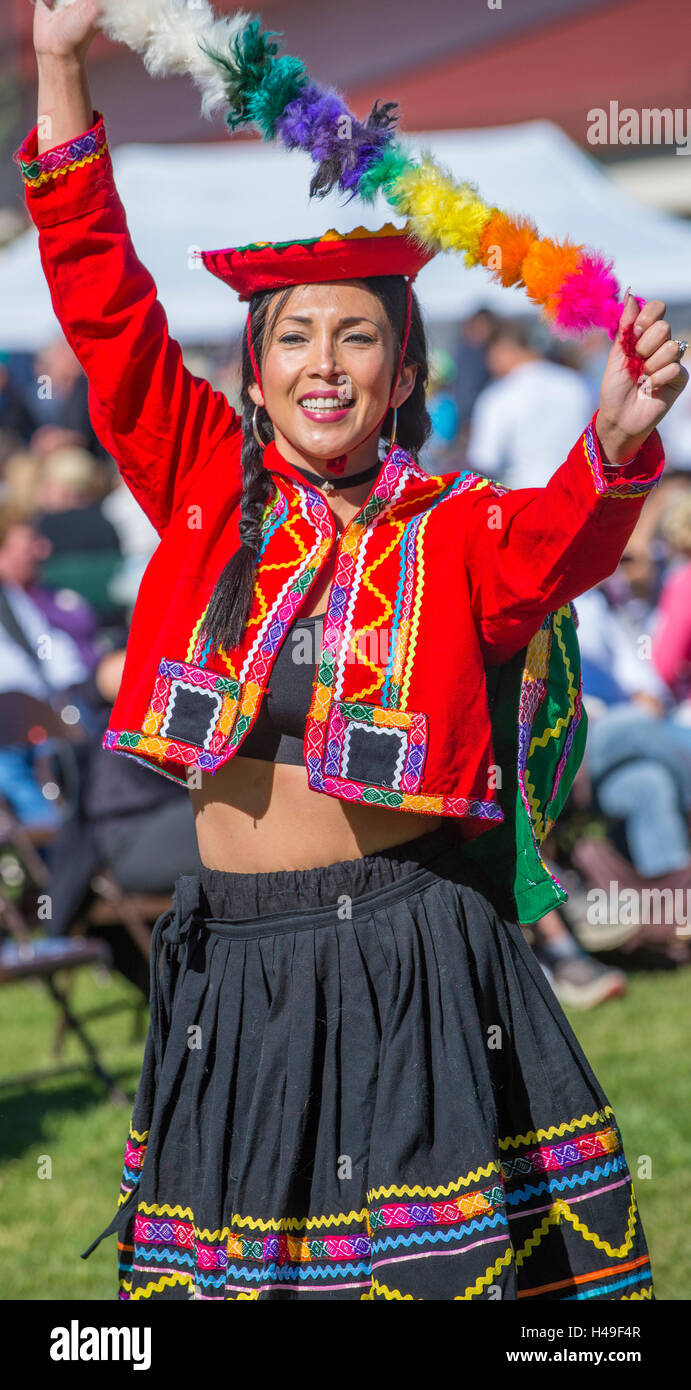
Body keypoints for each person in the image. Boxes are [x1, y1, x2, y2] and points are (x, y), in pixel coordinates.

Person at [18, 0, 689, 1303]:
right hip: (234, 955)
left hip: (405, 953)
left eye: (355, 334)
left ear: (399, 374)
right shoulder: (202, 484)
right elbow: (101, 301)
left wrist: (613, 438)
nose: (322, 362)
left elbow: (561, 541)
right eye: (292, 337)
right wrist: (55, 64)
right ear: (253, 373)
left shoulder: (459, 529)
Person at [466, 318, 594, 489]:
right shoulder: (577, 384)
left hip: (526, 499)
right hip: (580, 494)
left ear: (502, 350)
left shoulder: (499, 396)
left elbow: (484, 460)